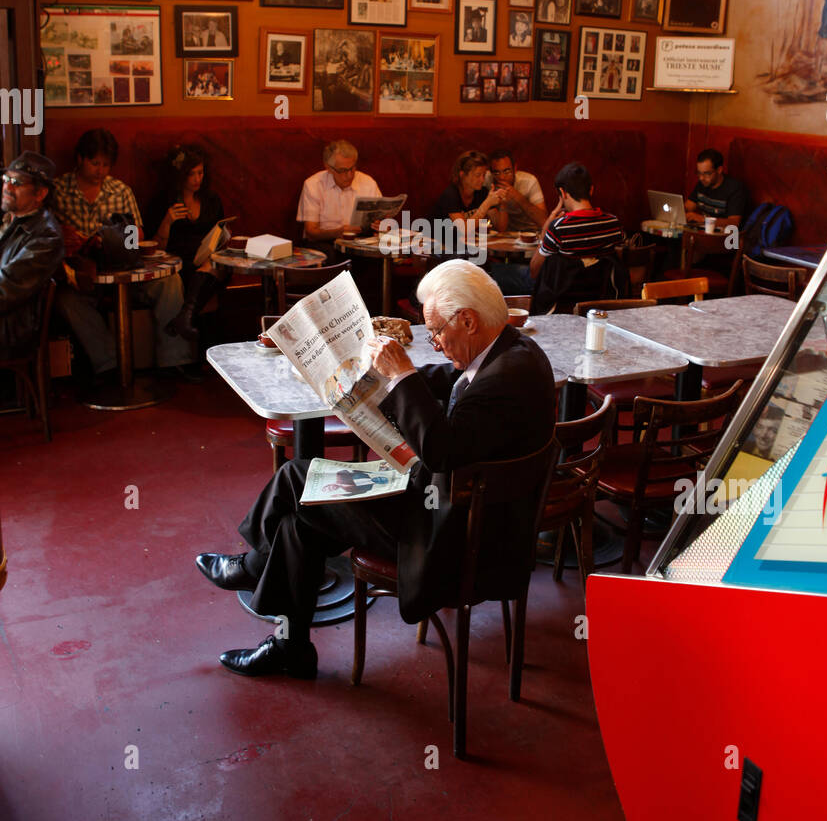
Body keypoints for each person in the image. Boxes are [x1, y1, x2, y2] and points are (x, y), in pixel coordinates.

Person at [194, 260, 556, 678]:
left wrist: (401, 375)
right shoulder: (514, 351)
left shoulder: (503, 383)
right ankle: (287, 644)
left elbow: (439, 450)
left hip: (454, 539)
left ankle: (256, 569)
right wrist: (383, 379)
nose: (435, 343)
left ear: (470, 321)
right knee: (299, 525)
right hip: (461, 510)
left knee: (299, 477)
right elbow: (452, 382)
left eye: (437, 331)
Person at [53, 129, 196, 383]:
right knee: (65, 299)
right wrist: (66, 237)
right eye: (95, 163)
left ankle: (175, 361)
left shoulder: (120, 190)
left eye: (106, 165)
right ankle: (110, 365)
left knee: (169, 282)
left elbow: (136, 236)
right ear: (79, 159)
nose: (100, 170)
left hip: (124, 269)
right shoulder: (58, 190)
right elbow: (48, 234)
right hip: (84, 277)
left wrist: (113, 239)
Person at [146, 144, 229, 343]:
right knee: (207, 272)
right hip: (181, 264)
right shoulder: (163, 201)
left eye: (200, 173)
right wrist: (167, 221)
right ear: (179, 175)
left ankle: (183, 318)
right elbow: (154, 250)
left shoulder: (211, 200)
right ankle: (184, 320)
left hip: (210, 260)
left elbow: (221, 233)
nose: (197, 179)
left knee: (215, 265)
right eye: (191, 174)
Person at [529, 162, 623, 313]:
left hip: (562, 308)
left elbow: (534, 271)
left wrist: (546, 231)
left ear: (563, 193)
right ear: (591, 190)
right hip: (601, 307)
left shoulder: (559, 228)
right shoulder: (613, 223)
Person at [0, 153, 64, 361]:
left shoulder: (46, 235)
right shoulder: (10, 219)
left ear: (40, 193)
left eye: (17, 183)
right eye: (7, 180)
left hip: (12, 328)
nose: (8, 188)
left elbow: (6, 289)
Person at [298, 140, 382, 251]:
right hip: (325, 243)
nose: (350, 175)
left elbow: (381, 219)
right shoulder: (313, 184)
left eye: (352, 168)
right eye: (343, 170)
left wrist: (380, 225)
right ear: (328, 168)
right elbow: (311, 232)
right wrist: (338, 232)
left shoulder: (368, 182)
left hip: (361, 242)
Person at [431, 151, 508, 234]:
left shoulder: (482, 192)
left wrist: (502, 202)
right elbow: (463, 230)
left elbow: (501, 228)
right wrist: (486, 204)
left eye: (484, 175)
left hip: (465, 243)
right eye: (478, 175)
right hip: (439, 242)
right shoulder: (450, 195)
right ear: (462, 175)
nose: (482, 180)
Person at [684, 148, 748, 228]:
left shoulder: (735, 188)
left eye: (706, 173)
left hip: (724, 236)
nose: (701, 178)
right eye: (699, 173)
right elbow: (688, 207)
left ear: (719, 170)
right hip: (704, 231)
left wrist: (703, 219)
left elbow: (734, 223)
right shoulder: (703, 183)